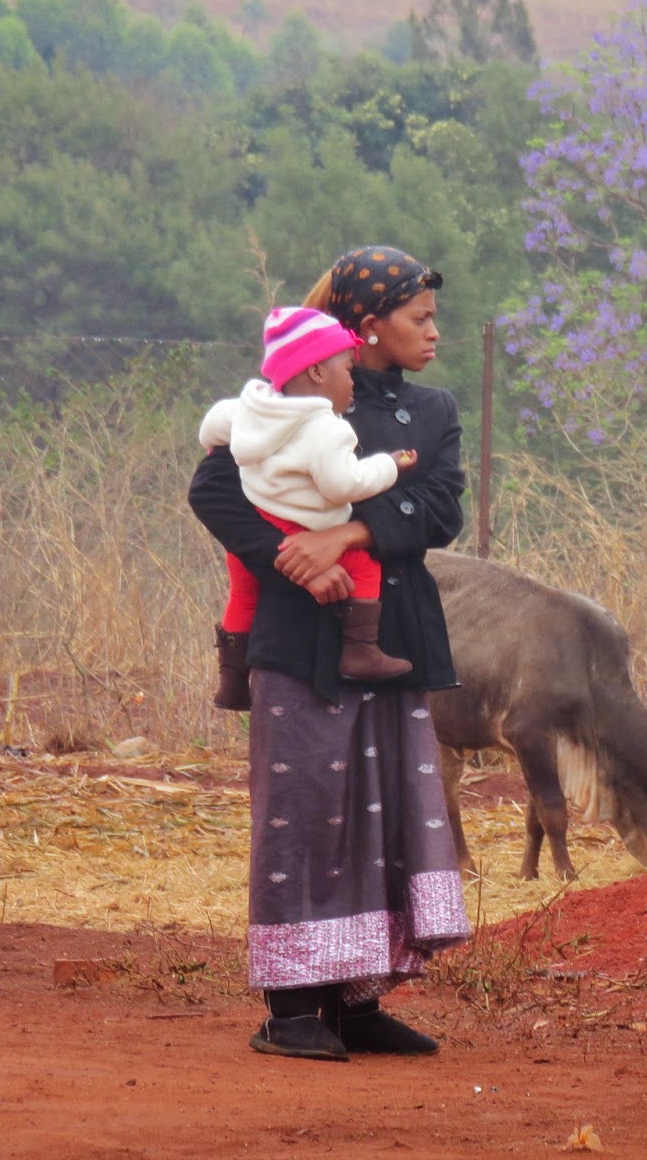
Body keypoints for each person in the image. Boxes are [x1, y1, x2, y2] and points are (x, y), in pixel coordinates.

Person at [187, 244, 470, 1062]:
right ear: (369, 328)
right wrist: (289, 558)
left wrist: (342, 533)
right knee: (307, 810)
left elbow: (439, 507)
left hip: (389, 630)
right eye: (420, 318)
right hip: (298, 635)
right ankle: (291, 1010)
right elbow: (212, 490)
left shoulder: (434, 411)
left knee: (381, 810)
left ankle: (359, 1000)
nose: (435, 332)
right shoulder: (291, 397)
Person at [202, 304, 419, 709]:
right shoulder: (327, 428)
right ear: (318, 373)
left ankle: (231, 681)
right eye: (347, 371)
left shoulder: (250, 409)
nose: (352, 382)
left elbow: (213, 424)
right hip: (303, 530)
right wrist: (388, 466)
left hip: (256, 524)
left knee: (243, 598)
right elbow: (343, 486)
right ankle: (361, 650)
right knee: (364, 564)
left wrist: (215, 446)